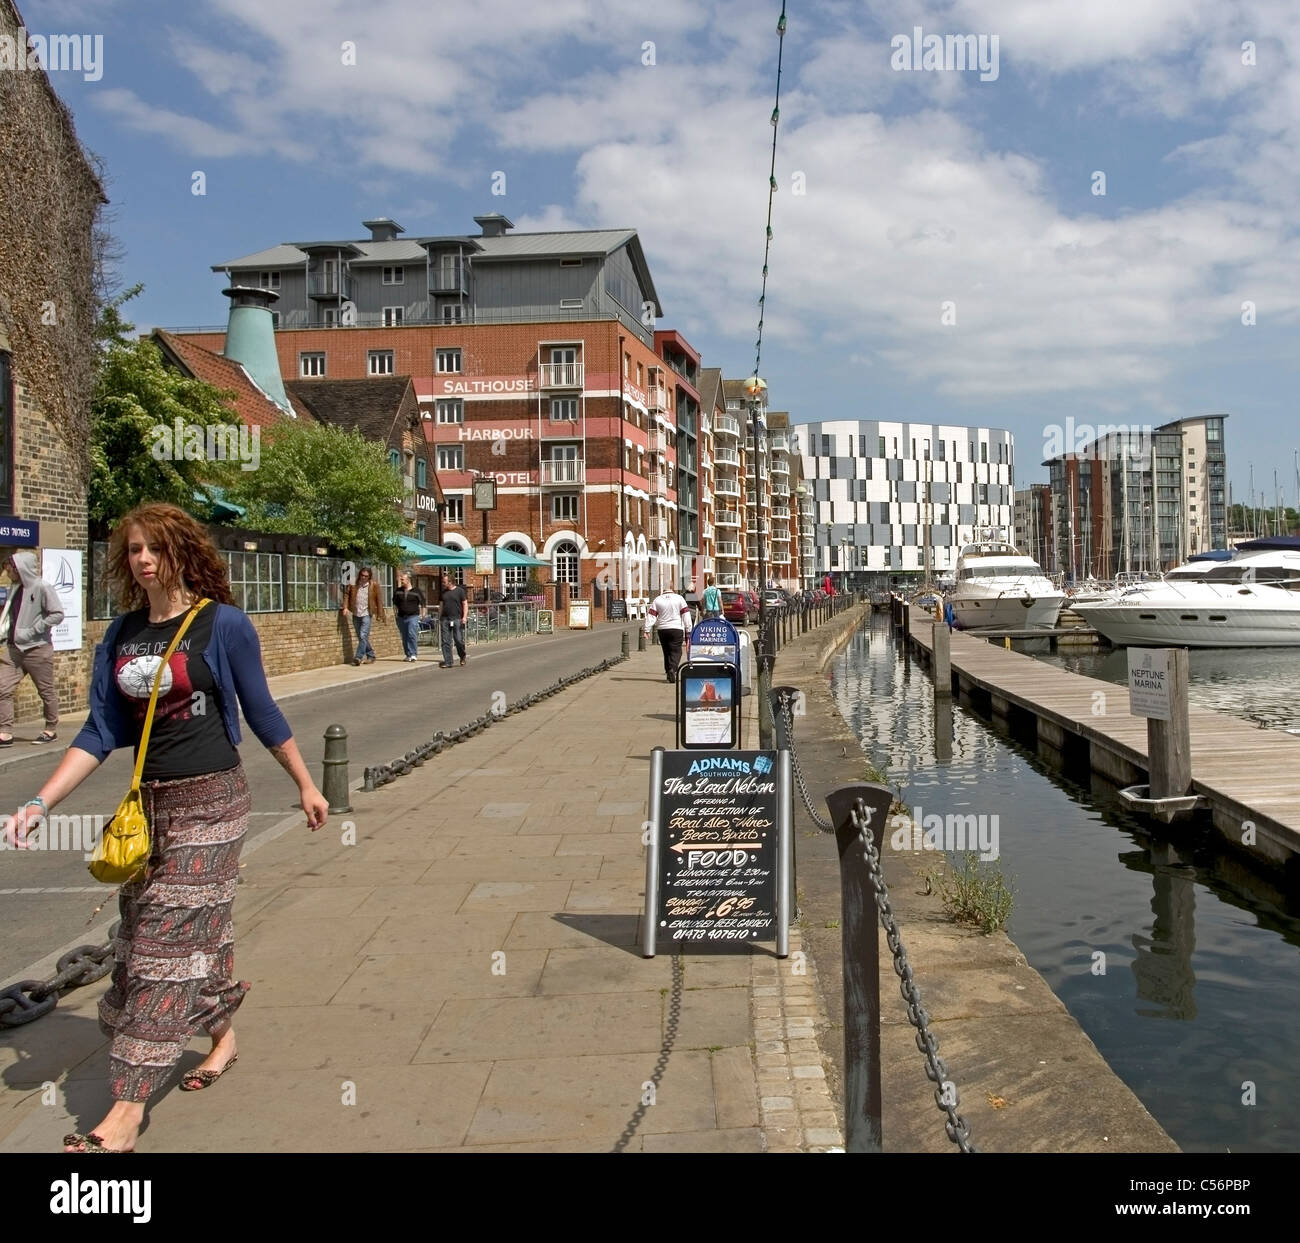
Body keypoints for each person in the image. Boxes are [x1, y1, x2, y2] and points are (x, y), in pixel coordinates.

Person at [3, 503, 328, 1153]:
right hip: (150, 811)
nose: (143, 559)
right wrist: (39, 802)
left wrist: (305, 781)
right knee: (166, 931)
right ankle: (222, 1034)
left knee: (162, 945)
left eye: (154, 547)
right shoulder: (121, 634)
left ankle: (124, 1114)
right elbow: (99, 732)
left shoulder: (222, 625)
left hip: (214, 803)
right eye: (132, 550)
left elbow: (261, 709)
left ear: (181, 550)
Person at [0, 551, 65, 746]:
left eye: (9, 569)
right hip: (13, 650)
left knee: (46, 691)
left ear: (19, 568)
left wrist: (31, 631)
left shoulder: (42, 587)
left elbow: (57, 614)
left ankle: (51, 729)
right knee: (2, 688)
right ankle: (5, 732)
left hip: (37, 649)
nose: (7, 573)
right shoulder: (15, 588)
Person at [644, 585, 692, 683]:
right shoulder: (679, 598)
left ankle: (668, 673)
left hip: (662, 629)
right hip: (676, 628)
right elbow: (686, 614)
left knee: (666, 652)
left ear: (663, 589)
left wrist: (647, 629)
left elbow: (651, 615)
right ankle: (672, 669)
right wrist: (689, 629)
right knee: (676, 651)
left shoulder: (657, 600)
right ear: (672, 588)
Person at [342, 566, 384, 665]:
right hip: (356, 612)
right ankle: (371, 655)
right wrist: (345, 607)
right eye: (362, 575)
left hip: (367, 613)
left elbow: (379, 600)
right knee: (361, 637)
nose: (363, 577)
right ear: (359, 574)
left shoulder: (374, 585)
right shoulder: (353, 584)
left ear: (369, 577)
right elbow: (346, 595)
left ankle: (358, 657)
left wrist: (380, 614)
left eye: (366, 576)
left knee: (363, 635)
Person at [438, 570, 468, 668]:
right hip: (445, 619)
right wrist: (439, 617)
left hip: (457, 619)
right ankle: (448, 661)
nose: (443, 584)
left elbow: (465, 604)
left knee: (458, 640)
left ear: (450, 582)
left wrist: (464, 617)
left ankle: (462, 656)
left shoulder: (460, 591)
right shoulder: (443, 593)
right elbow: (441, 605)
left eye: (444, 582)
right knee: (446, 641)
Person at [393, 571, 425, 662]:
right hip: (401, 617)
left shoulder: (416, 591)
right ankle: (408, 654)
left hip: (413, 616)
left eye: (402, 579)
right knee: (404, 636)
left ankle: (413, 654)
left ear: (408, 580)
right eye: (401, 579)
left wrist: (423, 614)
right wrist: (395, 614)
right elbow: (394, 603)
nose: (401, 581)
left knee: (411, 634)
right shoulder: (398, 591)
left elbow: (423, 603)